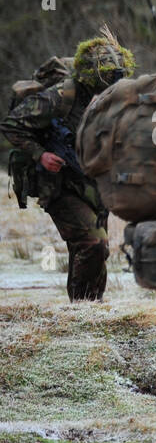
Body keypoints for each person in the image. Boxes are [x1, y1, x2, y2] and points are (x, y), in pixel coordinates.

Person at [2, 30, 133, 300]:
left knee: (96, 249)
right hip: (57, 182)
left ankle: (90, 310)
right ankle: (82, 310)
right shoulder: (62, 95)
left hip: (90, 183)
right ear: (94, 75)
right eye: (109, 77)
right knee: (92, 242)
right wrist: (41, 154)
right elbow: (11, 124)